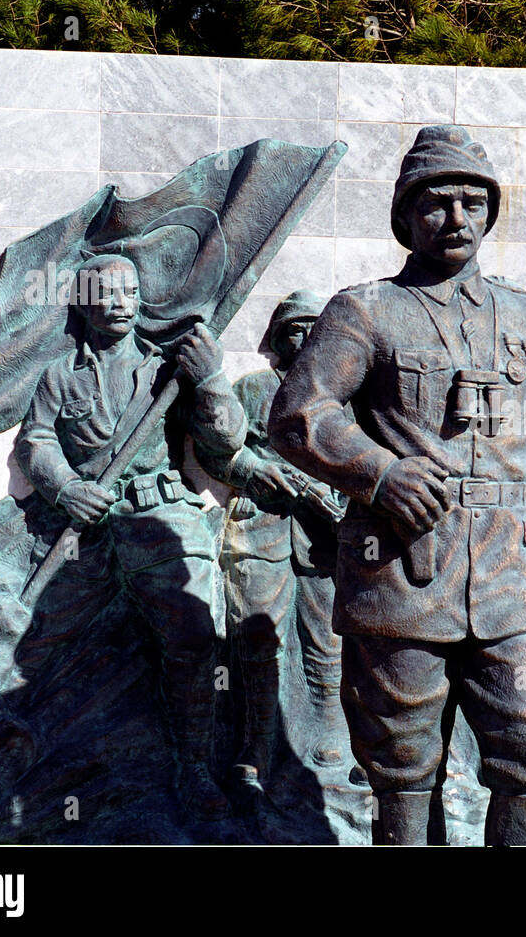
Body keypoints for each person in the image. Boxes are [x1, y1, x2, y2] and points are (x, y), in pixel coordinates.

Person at [268, 125, 526, 846]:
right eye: (438, 202)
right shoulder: (365, 310)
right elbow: (296, 415)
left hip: (514, 574)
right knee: (404, 763)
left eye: (474, 202)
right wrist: (380, 473)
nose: (457, 218)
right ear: (406, 216)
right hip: (403, 573)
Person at [15, 253, 247, 820]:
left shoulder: (169, 367)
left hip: (160, 521)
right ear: (84, 303)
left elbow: (225, 442)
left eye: (130, 291)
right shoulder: (59, 375)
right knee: (35, 644)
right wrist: (64, 486)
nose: (121, 302)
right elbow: (35, 441)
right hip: (85, 532)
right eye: (107, 292)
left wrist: (212, 377)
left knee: (194, 637)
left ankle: (194, 769)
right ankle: (33, 766)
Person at [195, 290, 350, 806]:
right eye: (293, 329)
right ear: (277, 339)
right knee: (257, 641)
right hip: (258, 528)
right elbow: (218, 450)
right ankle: (257, 745)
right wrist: (257, 473)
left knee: (328, 642)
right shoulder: (255, 388)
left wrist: (335, 501)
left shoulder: (341, 397)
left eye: (313, 328)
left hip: (323, 538)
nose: (303, 337)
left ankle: (332, 740)